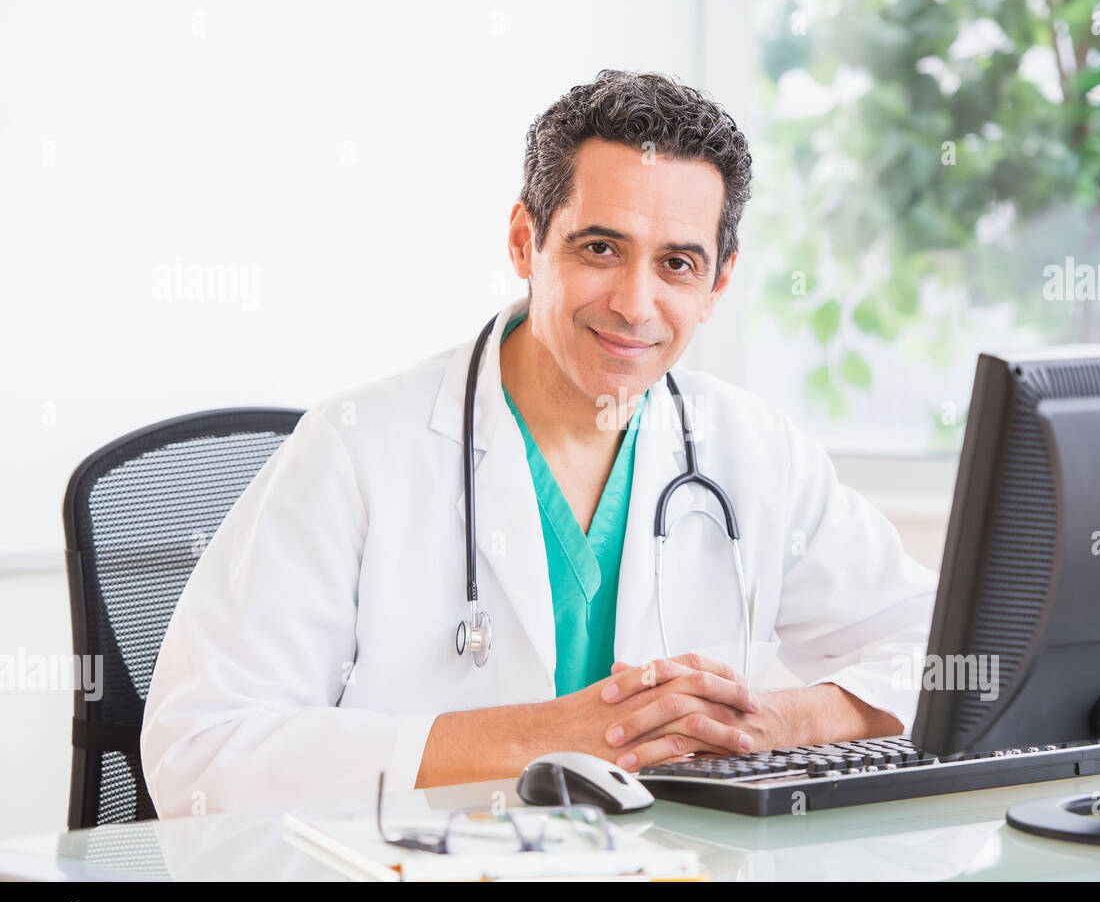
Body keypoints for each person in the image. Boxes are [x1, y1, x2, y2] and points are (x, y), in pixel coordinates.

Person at [141, 69, 937, 819]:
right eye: (601, 248)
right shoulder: (356, 452)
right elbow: (202, 749)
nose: (635, 303)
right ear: (525, 240)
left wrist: (767, 722)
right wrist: (548, 737)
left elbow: (948, 651)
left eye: (677, 263)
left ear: (719, 282)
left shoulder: (755, 453)